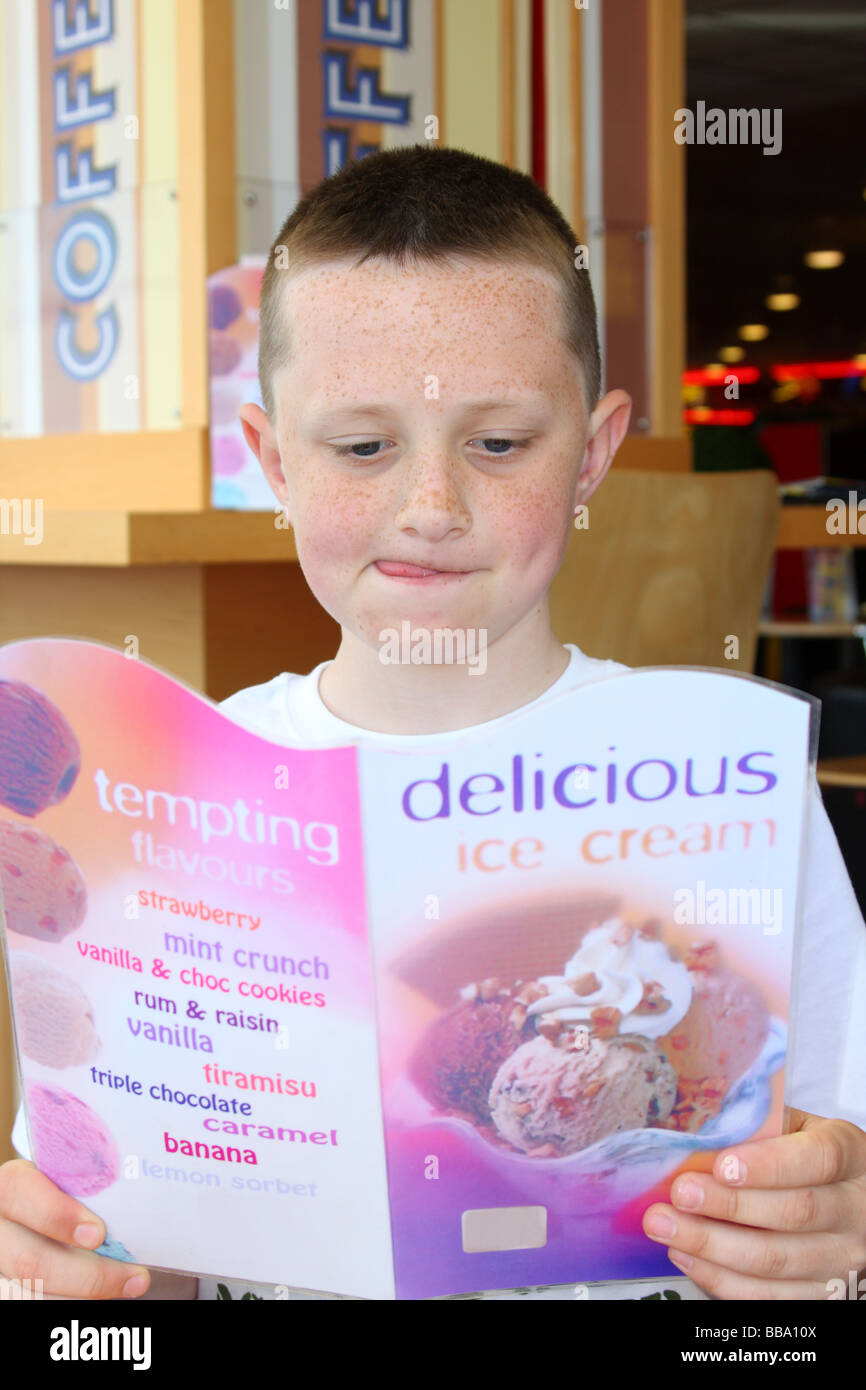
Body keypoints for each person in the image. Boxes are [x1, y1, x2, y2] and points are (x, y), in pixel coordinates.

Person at [2, 146, 865, 1303]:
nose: (430, 507)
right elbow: (149, 1273)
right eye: (361, 446)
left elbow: (827, 1179)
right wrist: (83, 1277)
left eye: (497, 442)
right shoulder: (173, 811)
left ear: (593, 455)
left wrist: (822, 1247)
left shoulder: (727, 781)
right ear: (272, 463)